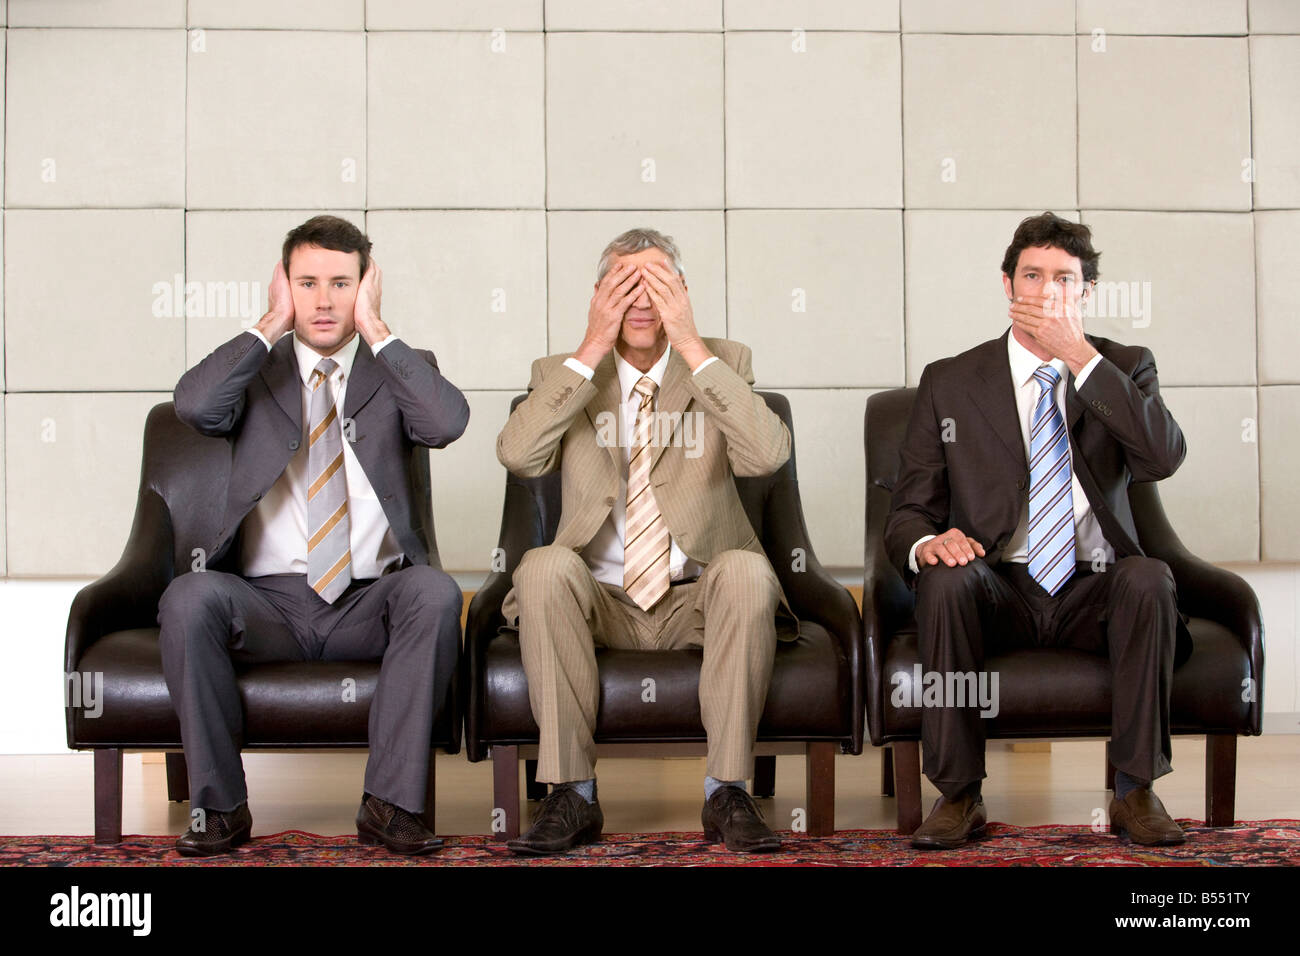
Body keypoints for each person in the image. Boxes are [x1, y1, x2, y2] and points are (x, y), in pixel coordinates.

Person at [159, 215, 470, 856]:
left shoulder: (395, 369)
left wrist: (378, 330)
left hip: (367, 601)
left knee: (435, 593)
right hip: (265, 602)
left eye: (341, 283)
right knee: (188, 597)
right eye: (307, 283)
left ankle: (390, 806)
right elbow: (192, 407)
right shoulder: (257, 371)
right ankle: (219, 811)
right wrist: (269, 324)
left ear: (367, 286)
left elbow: (446, 422)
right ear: (284, 286)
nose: (324, 300)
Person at [884, 211, 1190, 849]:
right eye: (1032, 276)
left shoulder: (1125, 366)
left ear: (1085, 293)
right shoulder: (950, 381)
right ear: (1007, 285)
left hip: (1095, 587)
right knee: (944, 581)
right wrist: (926, 543)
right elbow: (909, 509)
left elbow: (1161, 458)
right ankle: (959, 794)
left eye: (1064, 279)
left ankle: (1135, 790)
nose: (1047, 291)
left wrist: (1080, 356)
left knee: (1149, 579)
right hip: (998, 584)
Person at [496, 227, 797, 854]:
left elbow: (767, 455)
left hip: (696, 596)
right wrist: (591, 348)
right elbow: (518, 456)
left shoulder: (723, 360)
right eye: (623, 285)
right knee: (543, 566)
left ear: (682, 293)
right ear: (599, 295)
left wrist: (688, 342)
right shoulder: (563, 372)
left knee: (747, 569)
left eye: (657, 284)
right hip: (599, 598)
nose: (640, 299)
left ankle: (727, 791)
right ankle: (572, 794)